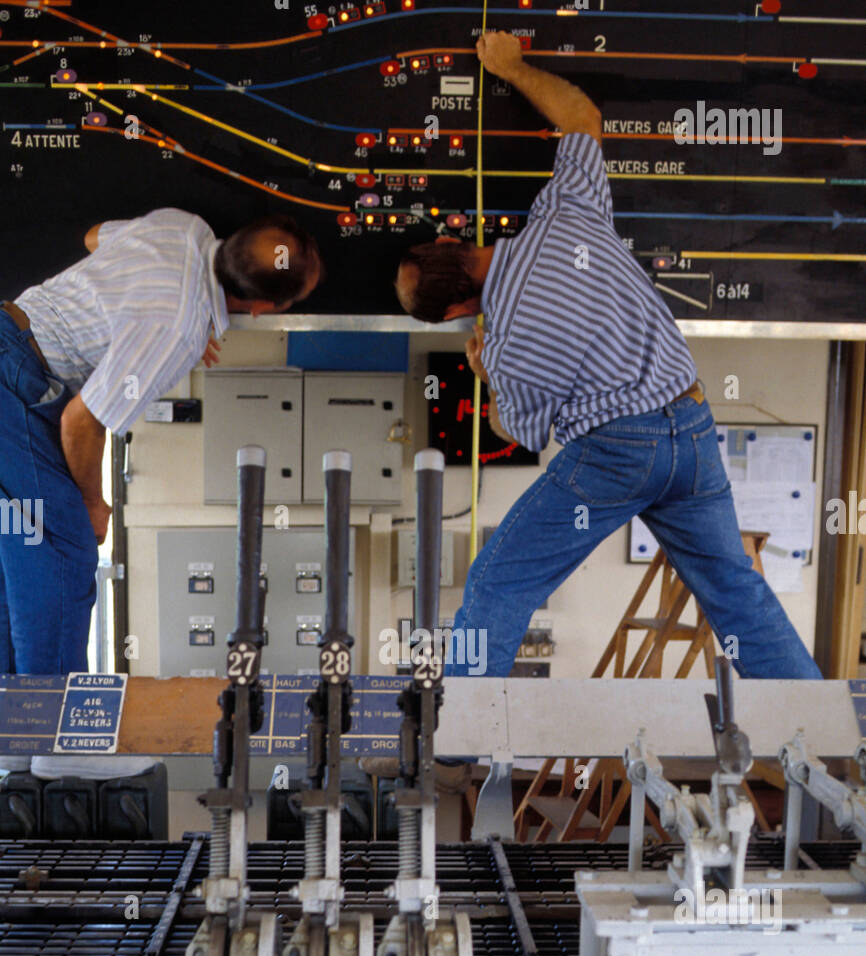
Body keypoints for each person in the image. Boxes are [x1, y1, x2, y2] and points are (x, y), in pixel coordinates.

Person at [395, 31, 821, 681]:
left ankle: (456, 750)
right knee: (738, 594)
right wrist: (510, 67)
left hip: (616, 455)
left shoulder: (506, 346)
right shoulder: (566, 213)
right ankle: (822, 742)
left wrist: (485, 378)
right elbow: (582, 117)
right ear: (458, 239)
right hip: (693, 430)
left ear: (456, 312)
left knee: (498, 583)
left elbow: (521, 432)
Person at [0, 209, 321, 674]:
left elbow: (94, 237)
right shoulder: (177, 331)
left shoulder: (184, 228)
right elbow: (79, 423)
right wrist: (93, 501)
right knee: (63, 555)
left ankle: (14, 734)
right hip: (19, 388)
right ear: (262, 308)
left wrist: (147, 320)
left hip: (12, 340)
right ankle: (54, 734)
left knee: (19, 552)